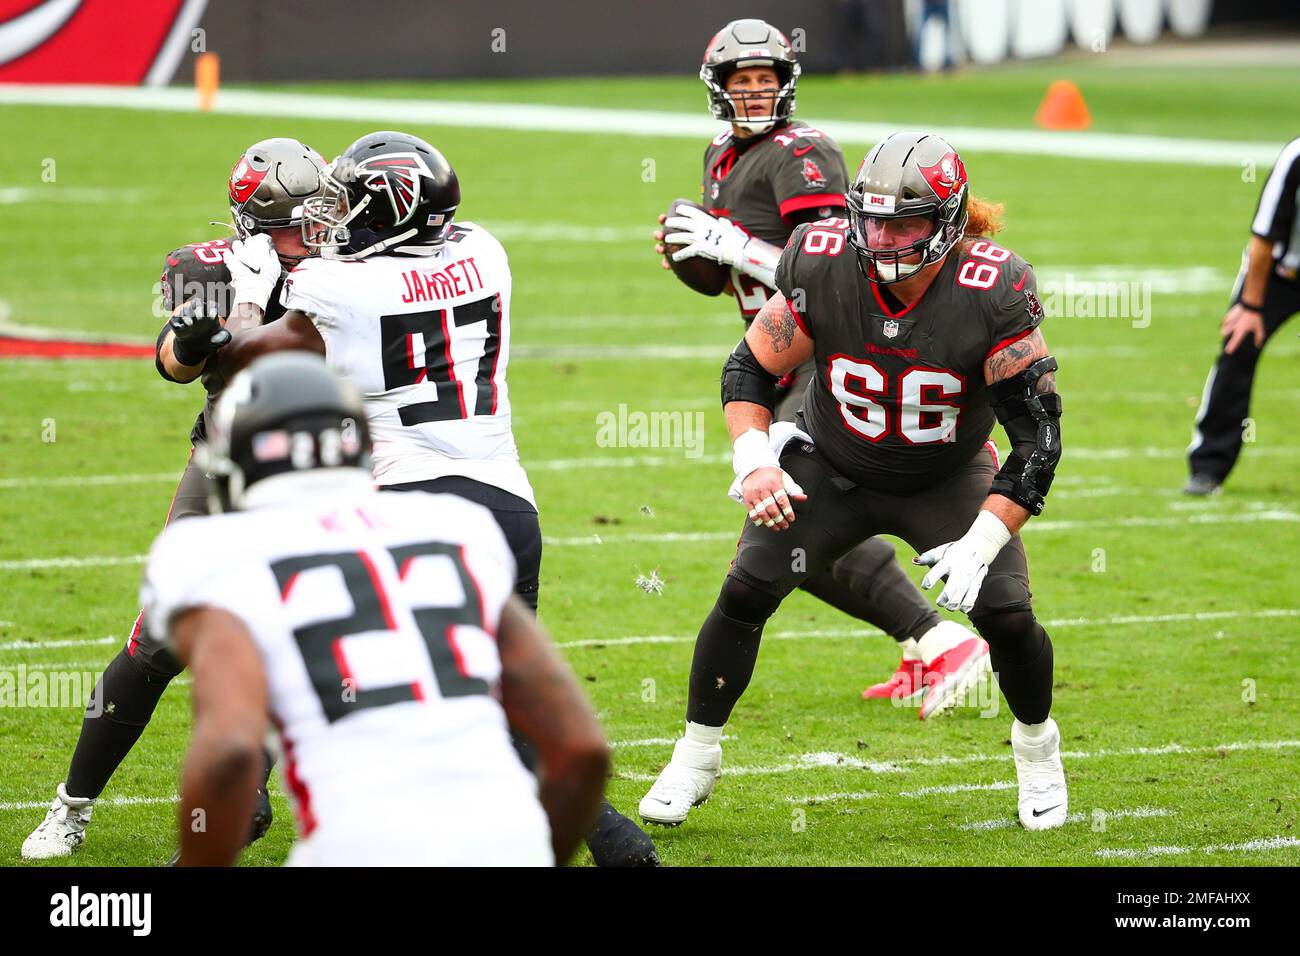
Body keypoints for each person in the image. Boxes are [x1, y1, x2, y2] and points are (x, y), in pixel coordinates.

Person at [211, 130, 658, 866]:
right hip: (507, 510)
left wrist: (255, 288)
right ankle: (619, 850)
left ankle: (244, 807)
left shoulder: (337, 288)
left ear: (391, 213)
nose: (332, 221)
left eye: (348, 206)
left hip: (406, 510)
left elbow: (242, 364)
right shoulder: (485, 252)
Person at [640, 132, 1069, 832]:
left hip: (946, 476)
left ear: (950, 220)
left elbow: (1038, 440)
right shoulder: (824, 258)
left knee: (1007, 617)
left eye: (906, 221)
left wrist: (984, 539)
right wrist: (754, 457)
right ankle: (695, 757)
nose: (884, 236)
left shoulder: (995, 289)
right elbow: (749, 369)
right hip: (834, 464)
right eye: (872, 218)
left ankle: (1037, 748)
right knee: (746, 588)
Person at [148, 352, 609, 865]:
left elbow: (231, 750)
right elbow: (581, 749)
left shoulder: (210, 554)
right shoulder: (454, 529)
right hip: (509, 842)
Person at [654, 18, 986, 715]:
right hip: (775, 353)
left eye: (765, 81)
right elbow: (728, 280)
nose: (752, 94)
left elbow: (848, 272)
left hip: (826, 354)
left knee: (785, 521)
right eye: (740, 82)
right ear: (718, 89)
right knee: (791, 522)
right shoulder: (721, 153)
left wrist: (730, 241)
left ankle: (941, 639)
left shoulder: (804, 154)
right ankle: (925, 644)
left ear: (787, 84)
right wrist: (695, 254)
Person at [21, 138, 328, 861]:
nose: (318, 233)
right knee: (156, 646)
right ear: (256, 222)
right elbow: (171, 364)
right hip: (227, 469)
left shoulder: (347, 272)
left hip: (325, 475)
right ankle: (71, 805)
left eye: (323, 216)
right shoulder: (213, 270)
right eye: (301, 221)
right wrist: (192, 340)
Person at [1186, 135, 1300, 494]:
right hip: (1280, 272)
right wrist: (1251, 307)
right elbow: (1262, 237)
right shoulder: (1296, 157)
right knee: (1239, 345)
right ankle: (1208, 467)